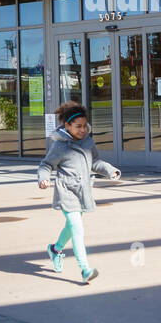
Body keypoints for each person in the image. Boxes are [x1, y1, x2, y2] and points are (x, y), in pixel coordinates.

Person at [37, 101, 120, 284]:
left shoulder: (88, 142)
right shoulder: (59, 145)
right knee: (77, 227)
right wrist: (43, 178)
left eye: (84, 126)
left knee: (72, 226)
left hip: (83, 191)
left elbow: (95, 162)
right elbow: (46, 165)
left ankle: (56, 249)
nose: (82, 130)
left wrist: (110, 170)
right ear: (67, 126)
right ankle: (84, 269)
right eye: (78, 127)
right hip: (66, 190)